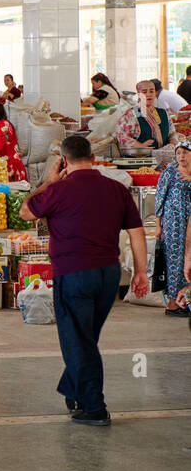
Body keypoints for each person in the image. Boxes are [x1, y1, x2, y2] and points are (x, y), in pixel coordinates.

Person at [19, 135, 149, 426]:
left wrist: (49, 182)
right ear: (92, 157)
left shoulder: (59, 190)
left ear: (63, 161)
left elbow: (25, 211)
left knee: (78, 341)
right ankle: (73, 389)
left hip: (74, 273)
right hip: (108, 275)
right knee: (85, 337)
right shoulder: (117, 188)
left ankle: (94, 407)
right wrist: (140, 272)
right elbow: (137, 232)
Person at [154, 139, 191, 318]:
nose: (181, 156)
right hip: (173, 224)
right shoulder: (169, 172)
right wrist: (158, 225)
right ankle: (172, 304)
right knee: (174, 263)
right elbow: (159, 197)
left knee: (188, 262)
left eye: (185, 152)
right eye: (178, 153)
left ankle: (186, 301)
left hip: (189, 225)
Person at [117, 80, 173, 150]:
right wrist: (140, 146)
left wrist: (173, 141)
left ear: (155, 93)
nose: (148, 94)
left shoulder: (163, 113)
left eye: (151, 91)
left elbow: (172, 133)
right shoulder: (132, 113)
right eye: (144, 92)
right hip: (141, 157)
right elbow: (122, 136)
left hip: (164, 156)